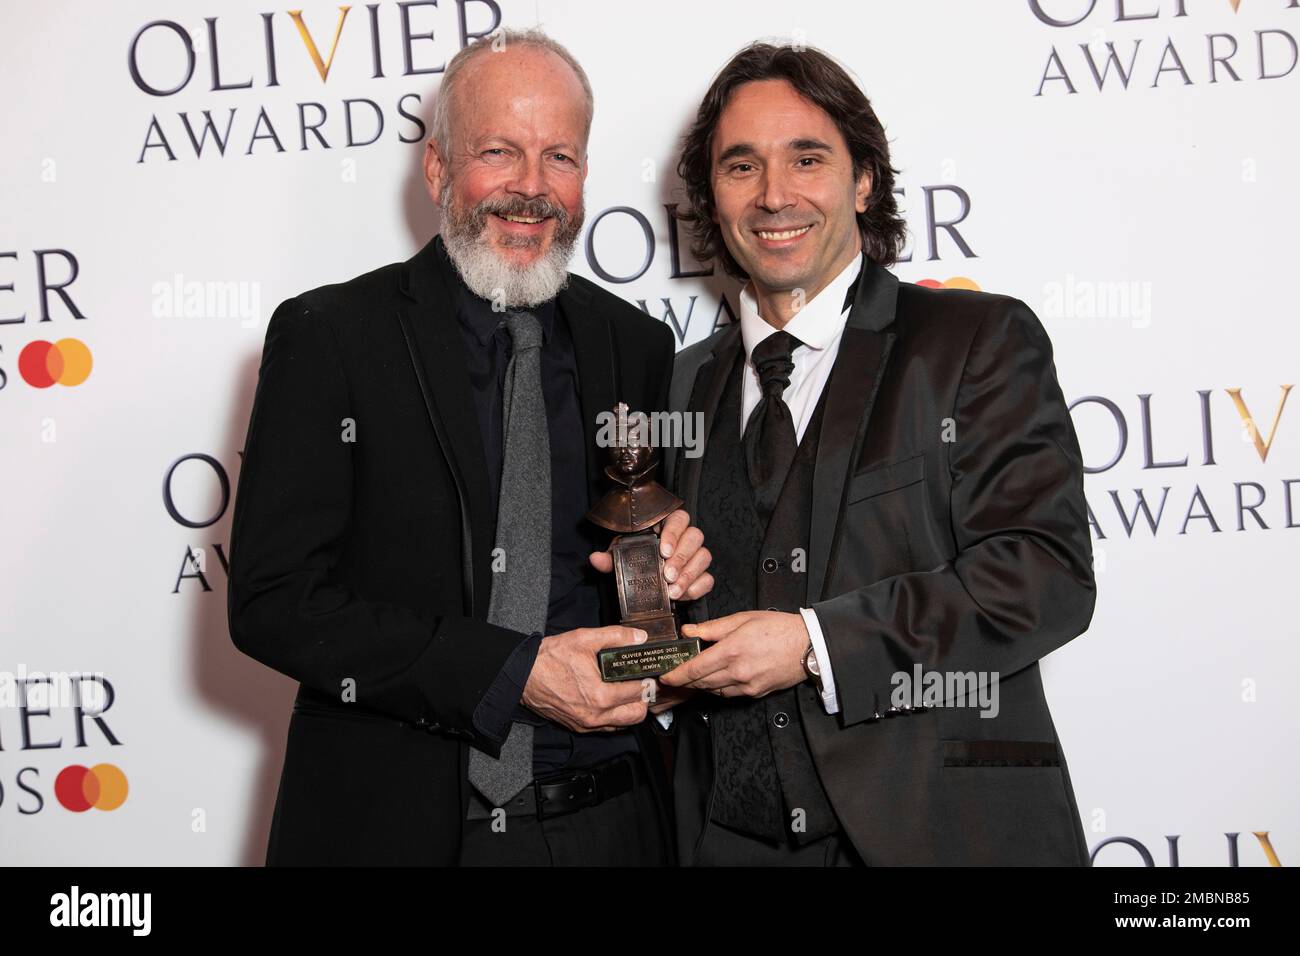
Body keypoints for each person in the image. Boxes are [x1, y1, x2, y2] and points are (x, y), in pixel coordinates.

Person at [226, 28, 712, 866]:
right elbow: (273, 601)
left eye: (560, 157)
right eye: (499, 152)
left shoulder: (632, 343)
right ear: (438, 169)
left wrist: (674, 590)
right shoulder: (334, 336)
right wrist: (512, 675)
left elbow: (641, 584)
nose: (532, 189)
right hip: (407, 831)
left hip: (614, 823)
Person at [657, 41, 1097, 866]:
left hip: (942, 839)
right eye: (742, 166)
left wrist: (815, 643)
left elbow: (1044, 577)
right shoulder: (676, 387)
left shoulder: (972, 343)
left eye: (808, 158)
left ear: (863, 180)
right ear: (711, 196)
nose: (775, 194)